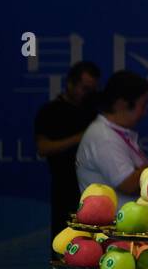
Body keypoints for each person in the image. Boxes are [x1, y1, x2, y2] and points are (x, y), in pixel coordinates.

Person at [34, 61, 101, 236]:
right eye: (85, 89)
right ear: (70, 83)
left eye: (92, 90)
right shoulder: (50, 111)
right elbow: (43, 147)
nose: (88, 94)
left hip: (93, 186)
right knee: (64, 239)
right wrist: (79, 138)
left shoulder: (93, 111)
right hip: (64, 185)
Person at [76, 71, 148, 199]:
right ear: (122, 104)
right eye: (143, 106)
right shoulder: (104, 137)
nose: (145, 113)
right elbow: (128, 184)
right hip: (115, 218)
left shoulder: (112, 132)